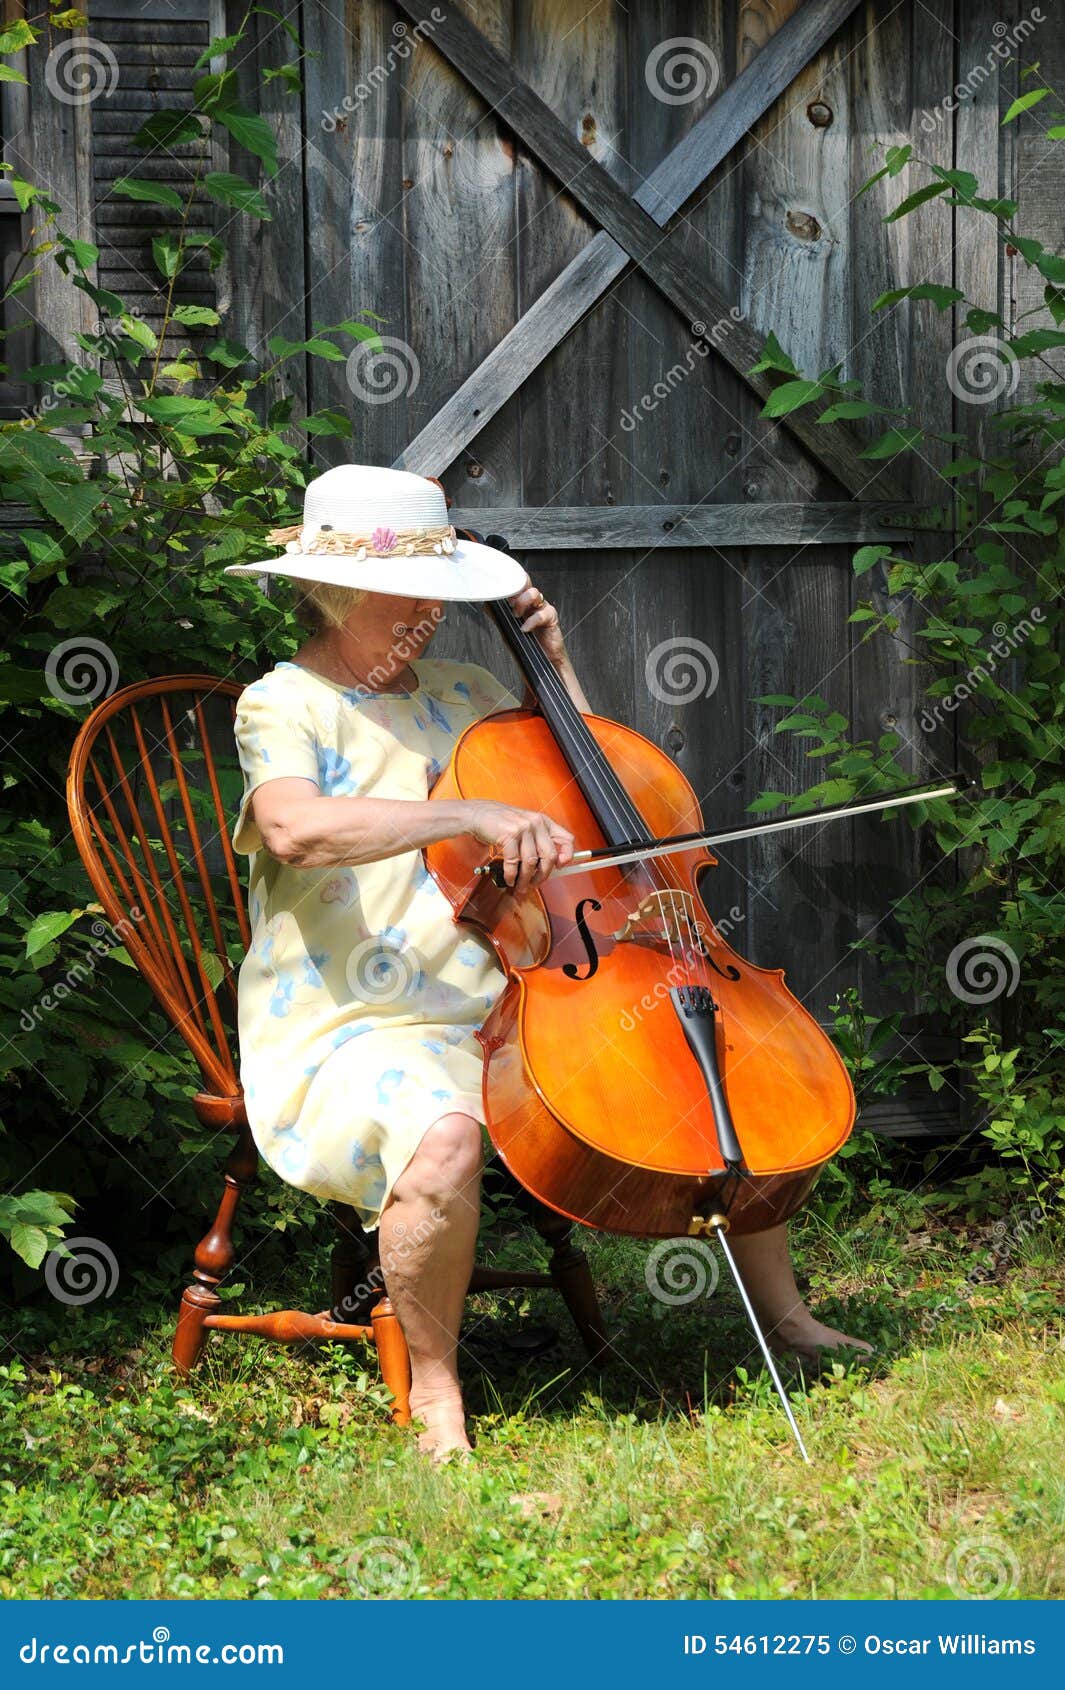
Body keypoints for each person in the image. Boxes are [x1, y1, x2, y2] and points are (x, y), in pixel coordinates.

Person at [225, 465, 870, 1461]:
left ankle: (786, 1313)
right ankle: (437, 1387)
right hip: (350, 1019)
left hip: (502, 994)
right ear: (340, 590)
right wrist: (466, 811)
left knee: (702, 1058)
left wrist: (557, 669)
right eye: (416, 591)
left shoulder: (471, 692)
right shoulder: (285, 704)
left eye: (445, 591)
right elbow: (295, 827)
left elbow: (588, 788)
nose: (437, 613)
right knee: (440, 1138)